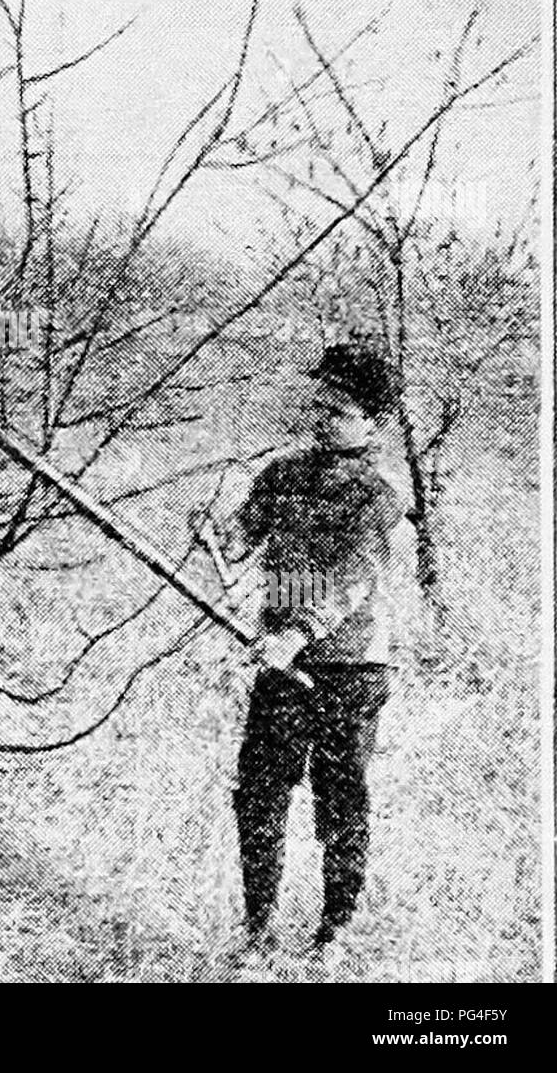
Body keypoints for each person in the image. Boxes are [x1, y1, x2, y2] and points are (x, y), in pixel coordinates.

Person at [225, 340, 404, 952]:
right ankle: (258, 928)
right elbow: (243, 535)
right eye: (318, 405)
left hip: (348, 666)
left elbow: (351, 580)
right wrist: (220, 528)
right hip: (281, 659)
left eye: (338, 410)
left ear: (372, 421)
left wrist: (297, 633)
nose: (321, 418)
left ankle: (334, 929)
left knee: (340, 795)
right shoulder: (283, 474)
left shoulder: (380, 494)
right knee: (259, 793)